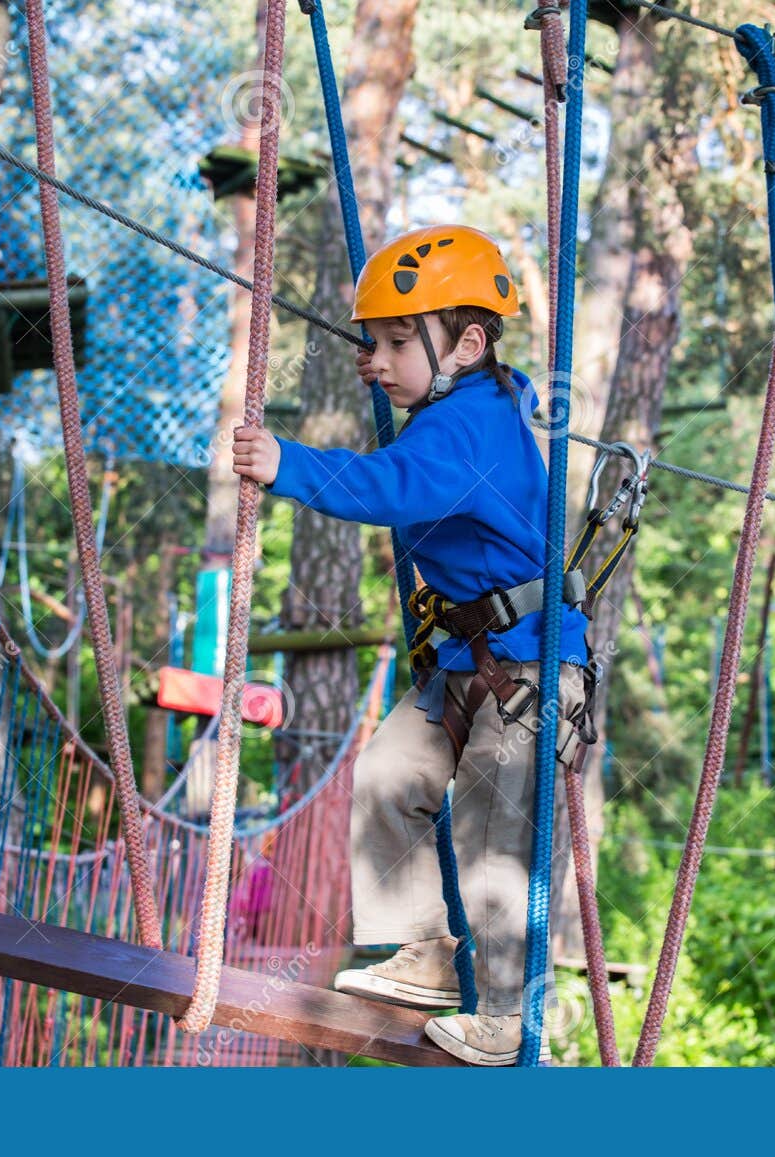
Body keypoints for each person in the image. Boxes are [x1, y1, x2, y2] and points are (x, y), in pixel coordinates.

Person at [231, 224, 593, 1065]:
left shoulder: (465, 427)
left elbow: (386, 486)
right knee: (391, 774)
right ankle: (425, 952)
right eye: (373, 345)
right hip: (474, 660)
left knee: (493, 833)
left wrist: (285, 461)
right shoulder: (470, 403)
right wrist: (397, 359)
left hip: (533, 668)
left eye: (399, 341)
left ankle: (504, 1014)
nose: (380, 361)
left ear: (469, 343)